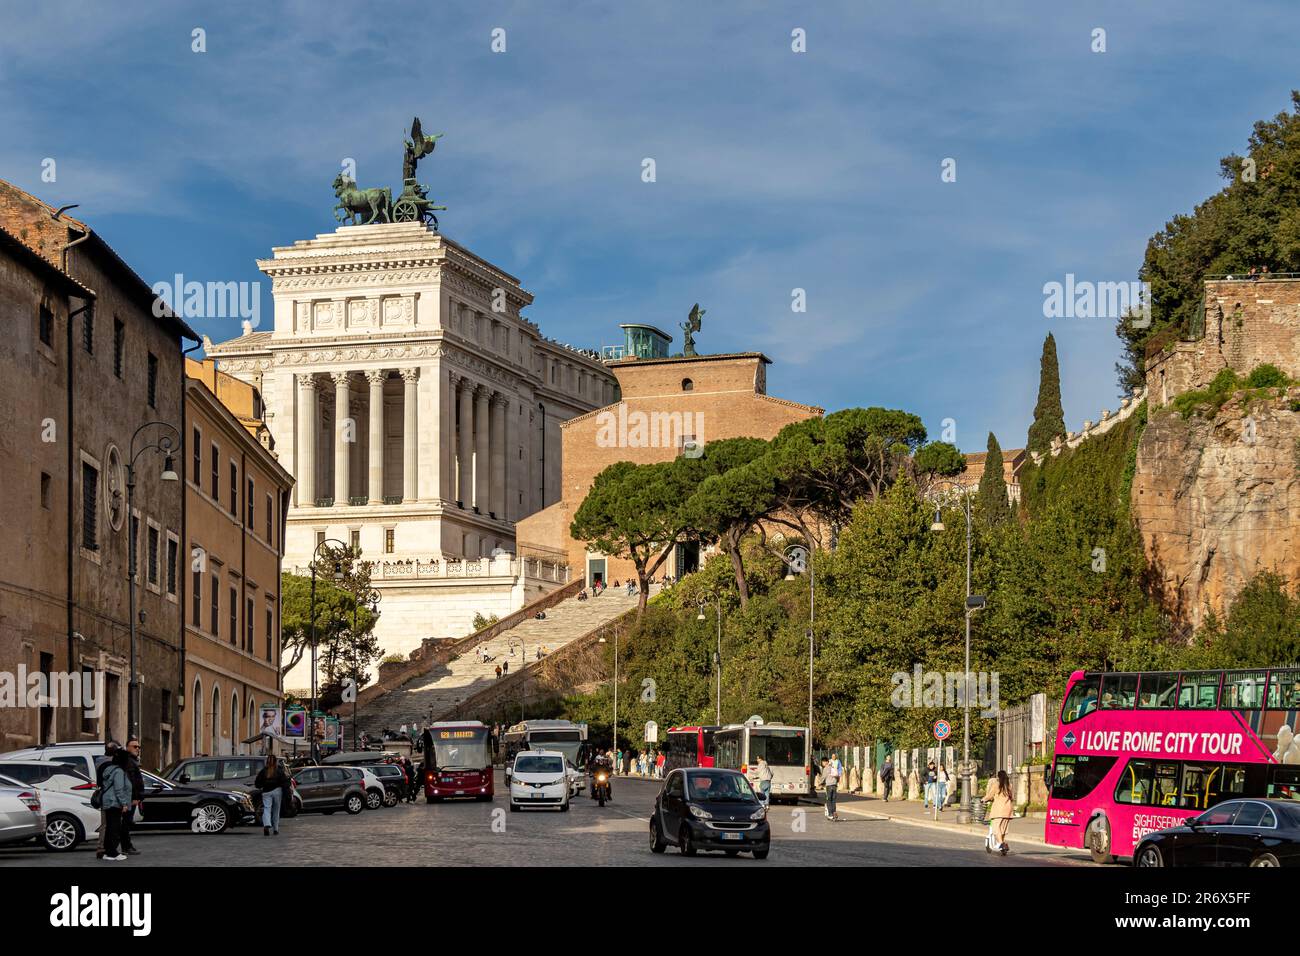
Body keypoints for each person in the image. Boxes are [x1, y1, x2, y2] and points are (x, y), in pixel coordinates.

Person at [100, 747, 134, 861]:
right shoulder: (119, 771)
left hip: (108, 802)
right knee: (114, 828)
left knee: (110, 828)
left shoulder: (110, 770)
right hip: (114, 803)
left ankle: (107, 852)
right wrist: (124, 804)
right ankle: (112, 853)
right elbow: (119, 789)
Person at [94, 740, 120, 859]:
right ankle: (107, 848)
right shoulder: (113, 765)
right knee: (111, 824)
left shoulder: (99, 762)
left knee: (104, 824)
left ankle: (102, 847)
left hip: (103, 795)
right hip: (112, 797)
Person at [120, 736, 144, 855]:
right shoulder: (129, 761)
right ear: (127, 747)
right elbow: (131, 781)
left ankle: (127, 846)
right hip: (130, 798)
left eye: (138, 747)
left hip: (132, 797)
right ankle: (126, 846)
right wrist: (135, 797)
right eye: (135, 746)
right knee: (126, 823)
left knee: (127, 823)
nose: (137, 748)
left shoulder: (133, 760)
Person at [255, 754, 290, 835]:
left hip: (266, 792)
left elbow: (257, 783)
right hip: (277, 791)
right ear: (276, 761)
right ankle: (276, 829)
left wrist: (262, 786)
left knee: (267, 809)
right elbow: (284, 782)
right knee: (276, 810)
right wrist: (286, 792)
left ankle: (267, 824)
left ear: (267, 761)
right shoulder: (279, 770)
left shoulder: (263, 771)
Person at [984, 770, 1015, 855]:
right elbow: (1012, 797)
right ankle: (1003, 845)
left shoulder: (997, 785)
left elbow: (989, 795)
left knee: (996, 827)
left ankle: (1001, 844)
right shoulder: (1009, 785)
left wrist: (983, 800)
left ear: (998, 777)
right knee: (1003, 828)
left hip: (998, 810)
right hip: (1008, 810)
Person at [822, 755, 841, 820]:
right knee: (833, 800)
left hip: (829, 786)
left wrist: (820, 783)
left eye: (823, 762)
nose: (823, 763)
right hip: (834, 785)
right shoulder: (833, 767)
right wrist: (836, 782)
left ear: (826, 762)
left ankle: (830, 814)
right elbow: (837, 776)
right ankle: (834, 813)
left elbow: (823, 777)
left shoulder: (826, 768)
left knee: (828, 800)